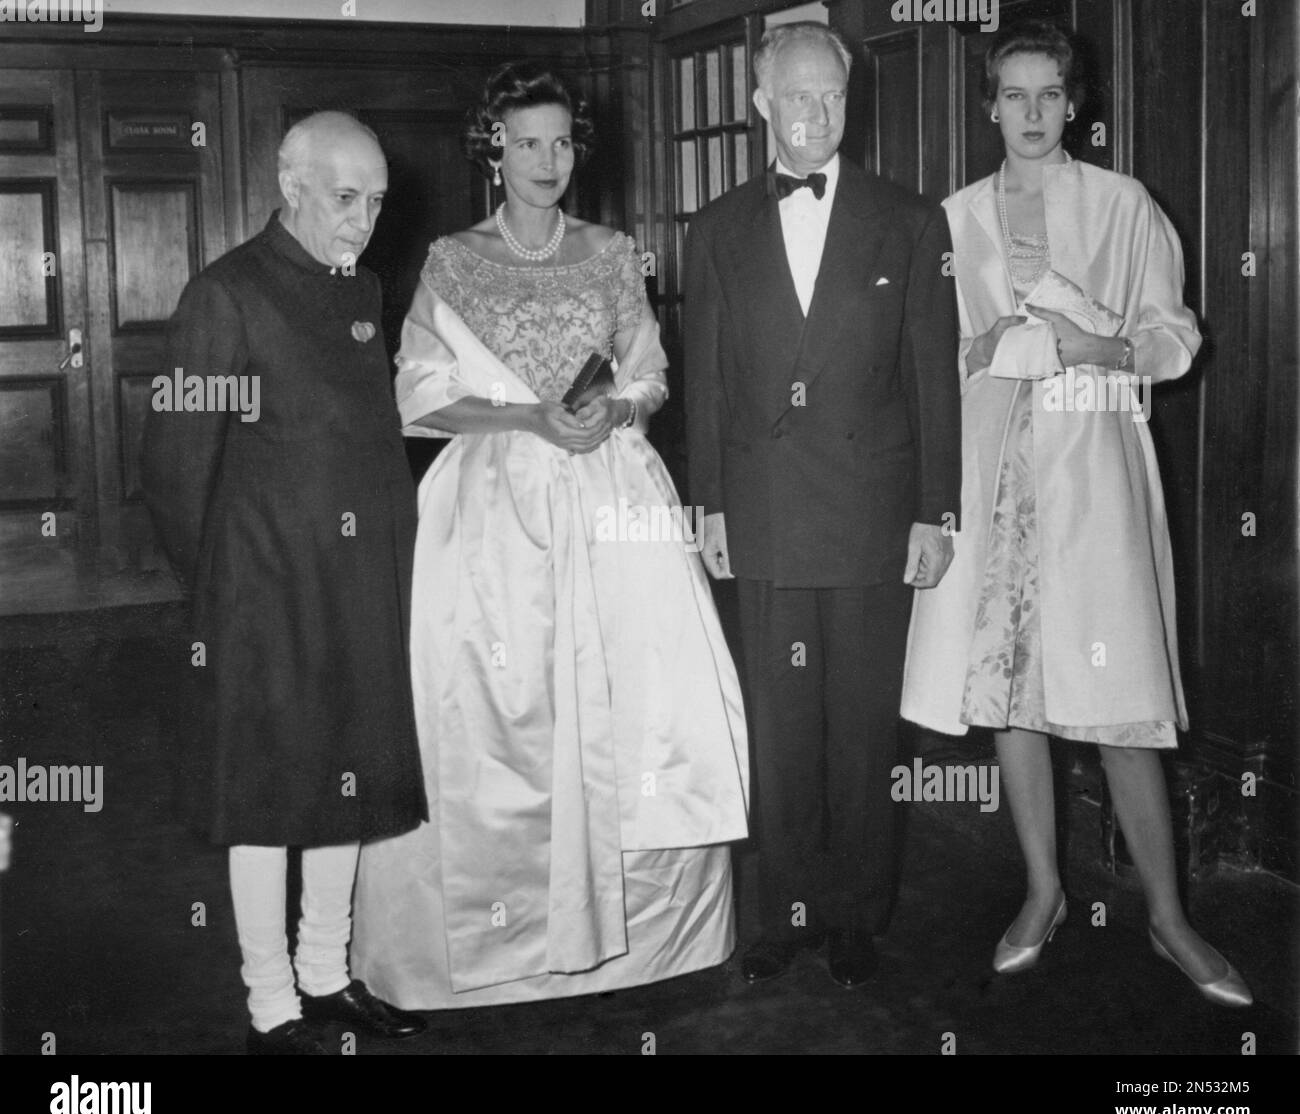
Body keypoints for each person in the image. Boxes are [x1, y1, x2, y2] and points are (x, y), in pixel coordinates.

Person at [351, 63, 749, 1007]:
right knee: (494, 705)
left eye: (561, 140)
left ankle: (644, 938)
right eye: (525, 141)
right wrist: (528, 421)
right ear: (493, 148)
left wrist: (612, 406)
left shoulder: (613, 252)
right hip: (488, 506)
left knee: (631, 697)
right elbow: (417, 396)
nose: (546, 159)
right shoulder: (451, 258)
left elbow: (651, 372)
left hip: (611, 497)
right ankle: (487, 944)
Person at [901, 21, 1251, 1007]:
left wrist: (1087, 348)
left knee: (1122, 701)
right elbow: (942, 349)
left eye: (1049, 95)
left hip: (1091, 461)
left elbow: (1172, 333)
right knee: (1011, 689)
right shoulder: (955, 217)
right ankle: (1045, 889)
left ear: (1075, 102)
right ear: (988, 105)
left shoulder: (1124, 204)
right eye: (1012, 96)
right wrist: (980, 356)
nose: (1031, 114)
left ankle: (1169, 914)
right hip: (993, 470)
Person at [142, 111, 431, 1054]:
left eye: (377, 202)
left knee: (341, 784)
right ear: (291, 184)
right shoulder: (225, 295)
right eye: (346, 199)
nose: (362, 221)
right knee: (267, 798)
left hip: (354, 590)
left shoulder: (366, 290)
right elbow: (176, 471)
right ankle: (271, 999)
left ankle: (327, 971)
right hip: (262, 596)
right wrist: (225, 590)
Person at [684, 22, 962, 989]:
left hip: (872, 516)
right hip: (760, 511)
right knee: (778, 726)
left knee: (861, 730)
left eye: (831, 97)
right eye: (794, 96)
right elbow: (708, 383)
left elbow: (935, 380)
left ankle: (854, 912)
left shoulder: (911, 220)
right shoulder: (714, 229)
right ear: (760, 104)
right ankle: (785, 911)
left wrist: (937, 511)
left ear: (851, 102)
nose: (813, 115)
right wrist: (709, 505)